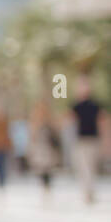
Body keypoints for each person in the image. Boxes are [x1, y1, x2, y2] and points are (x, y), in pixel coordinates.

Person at [69, 74, 106, 204]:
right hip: (81, 140)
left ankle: (90, 191)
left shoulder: (96, 105)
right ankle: (87, 192)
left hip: (93, 140)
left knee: (91, 167)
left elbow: (102, 122)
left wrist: (106, 141)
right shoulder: (76, 106)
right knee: (84, 167)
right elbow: (69, 121)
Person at [28, 100, 60, 206]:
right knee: (41, 170)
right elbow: (32, 138)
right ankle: (44, 188)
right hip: (39, 151)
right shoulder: (34, 123)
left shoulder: (50, 123)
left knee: (48, 170)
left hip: (48, 150)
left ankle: (47, 188)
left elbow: (55, 138)